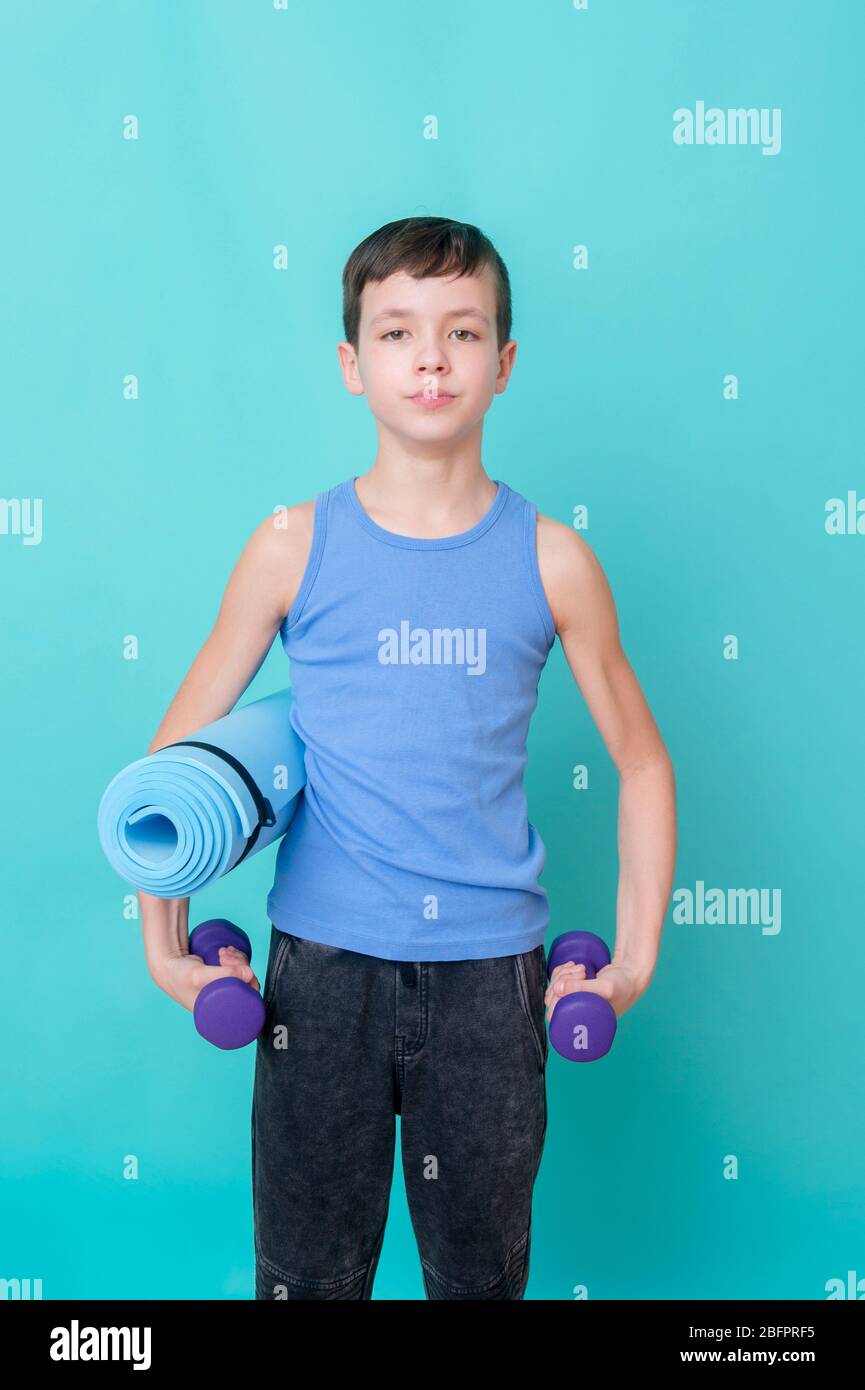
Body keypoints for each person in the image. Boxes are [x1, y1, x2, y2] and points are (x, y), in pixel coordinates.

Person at [137, 216, 677, 1300]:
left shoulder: (552, 558)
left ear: (503, 363)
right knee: (307, 1278)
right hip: (318, 981)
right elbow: (173, 763)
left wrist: (634, 957)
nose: (429, 358)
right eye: (396, 332)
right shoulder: (292, 544)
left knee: (479, 1279)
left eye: (462, 331)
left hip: (492, 983)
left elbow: (643, 763)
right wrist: (167, 949)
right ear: (352, 364)